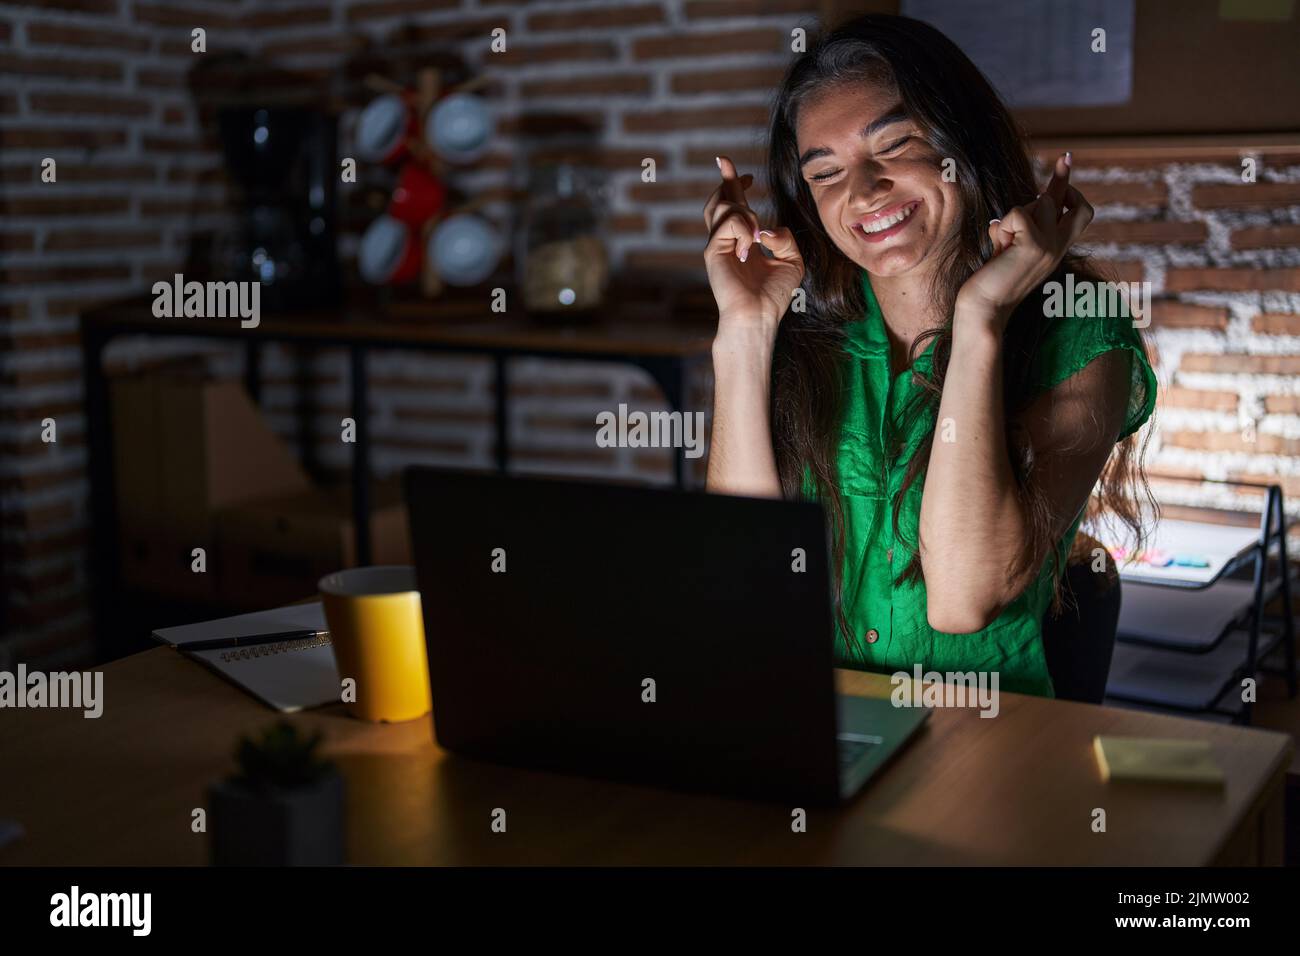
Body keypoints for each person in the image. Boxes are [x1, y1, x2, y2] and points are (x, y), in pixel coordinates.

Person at [701, 14, 1156, 697]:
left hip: (986, 748)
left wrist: (979, 320)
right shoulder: (803, 334)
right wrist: (742, 328)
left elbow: (963, 598)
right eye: (824, 173)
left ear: (961, 143)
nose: (861, 190)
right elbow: (747, 590)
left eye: (894, 143)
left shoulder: (1080, 335)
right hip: (821, 733)